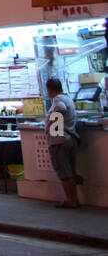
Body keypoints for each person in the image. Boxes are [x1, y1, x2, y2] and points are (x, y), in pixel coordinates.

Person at [46, 78, 80, 209]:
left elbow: (60, 109)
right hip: (69, 138)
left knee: (65, 174)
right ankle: (74, 199)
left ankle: (71, 200)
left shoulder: (58, 100)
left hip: (60, 141)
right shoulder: (67, 98)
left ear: (49, 89)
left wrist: (55, 129)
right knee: (70, 172)